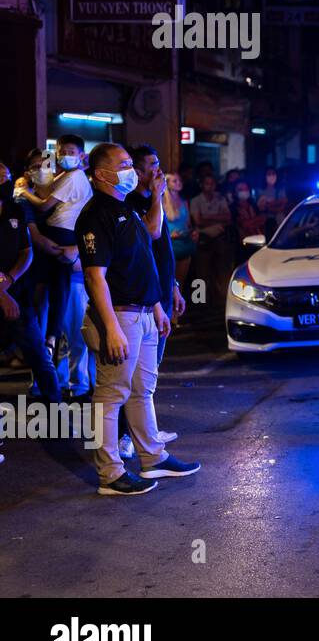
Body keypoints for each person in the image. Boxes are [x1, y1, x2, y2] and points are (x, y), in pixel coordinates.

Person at [77, 143, 199, 496]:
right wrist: (111, 327)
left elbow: (150, 243)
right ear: (101, 174)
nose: (133, 169)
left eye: (132, 163)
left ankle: (152, 458)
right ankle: (110, 473)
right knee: (110, 394)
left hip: (144, 314)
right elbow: (94, 277)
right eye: (125, 164)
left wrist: (157, 307)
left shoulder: (125, 207)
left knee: (141, 391)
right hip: (120, 316)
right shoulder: (95, 215)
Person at [18, 136, 92, 396]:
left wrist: (74, 253)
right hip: (42, 268)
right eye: (36, 167)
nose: (42, 170)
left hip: (70, 268)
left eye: (45, 165)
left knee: (71, 330)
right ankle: (46, 383)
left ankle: (76, 384)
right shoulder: (25, 200)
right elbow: (37, 239)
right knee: (45, 322)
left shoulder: (66, 182)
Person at [127, 146, 183, 450]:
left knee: (150, 373)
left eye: (158, 163)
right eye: (151, 165)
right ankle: (127, 437)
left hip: (160, 294)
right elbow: (153, 234)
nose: (157, 171)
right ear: (137, 171)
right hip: (144, 300)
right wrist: (159, 197)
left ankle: (147, 432)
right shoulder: (133, 202)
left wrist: (173, 286)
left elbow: (162, 254)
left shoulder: (152, 201)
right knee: (134, 377)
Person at [0, 161, 59, 402]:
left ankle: (56, 412)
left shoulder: (16, 210)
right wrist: (1, 293)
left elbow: (27, 251)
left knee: (40, 358)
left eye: (7, 177)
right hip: (6, 295)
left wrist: (9, 280)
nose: (4, 182)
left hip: (20, 296)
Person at [190, 173, 233, 308]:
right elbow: (198, 221)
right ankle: (200, 302)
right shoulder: (196, 200)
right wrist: (217, 217)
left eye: (212, 183)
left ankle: (221, 303)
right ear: (202, 185)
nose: (210, 186)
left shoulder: (220, 198)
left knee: (221, 272)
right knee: (202, 273)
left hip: (220, 239)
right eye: (207, 183)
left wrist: (207, 217)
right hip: (203, 240)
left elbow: (228, 217)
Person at [163, 171, 196, 291]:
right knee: (169, 281)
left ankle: (178, 308)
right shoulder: (162, 202)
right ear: (167, 183)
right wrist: (170, 234)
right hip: (170, 244)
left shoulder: (184, 201)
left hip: (184, 242)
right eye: (174, 181)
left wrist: (193, 231)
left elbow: (188, 224)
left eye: (180, 180)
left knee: (181, 280)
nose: (179, 183)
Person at [257, 167, 289, 238]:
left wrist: (271, 204)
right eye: (269, 174)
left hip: (279, 220)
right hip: (266, 221)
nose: (271, 176)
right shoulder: (260, 190)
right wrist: (276, 203)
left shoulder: (280, 189)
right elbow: (261, 206)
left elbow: (283, 204)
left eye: (273, 174)